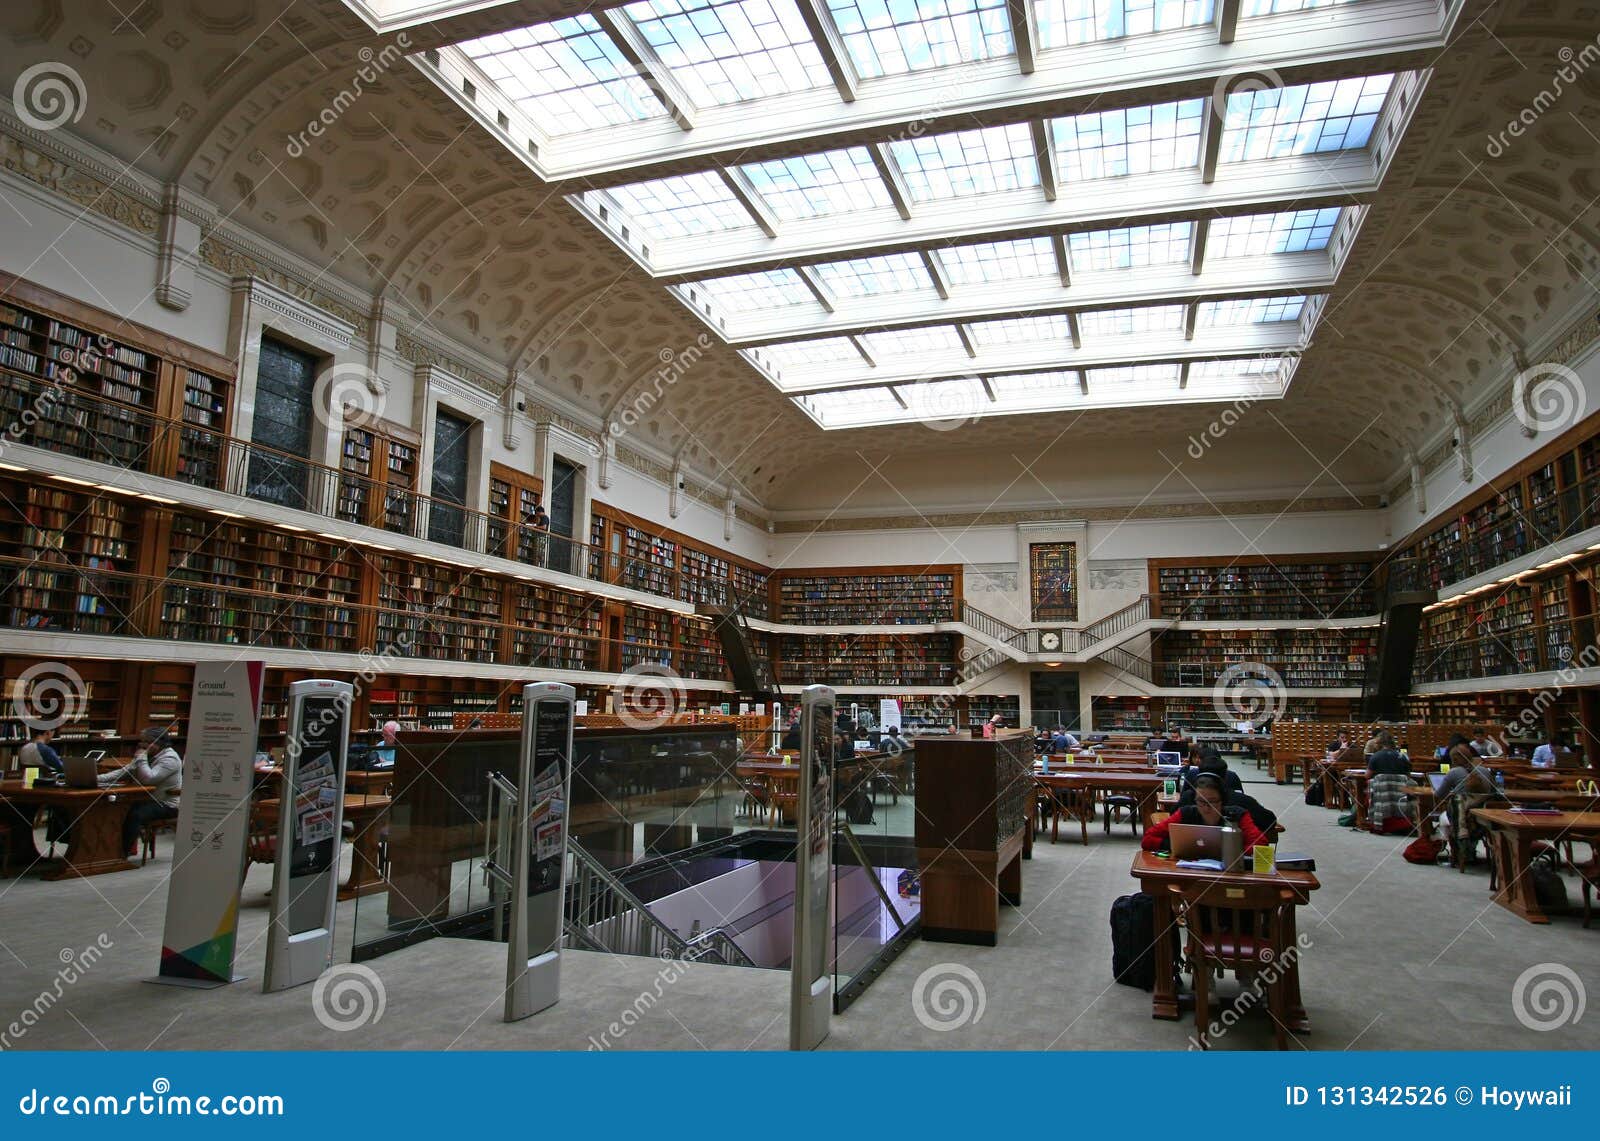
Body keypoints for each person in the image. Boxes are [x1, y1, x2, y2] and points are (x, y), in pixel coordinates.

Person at [100, 726, 183, 857]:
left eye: (145, 742)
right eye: (142, 741)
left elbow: (148, 779)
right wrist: (96, 779)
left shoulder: (170, 759)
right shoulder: (149, 754)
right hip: (147, 800)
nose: (141, 745)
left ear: (157, 743)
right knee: (115, 808)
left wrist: (142, 758)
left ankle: (121, 853)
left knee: (135, 814)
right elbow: (124, 772)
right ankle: (106, 849)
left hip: (166, 804)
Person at [1142, 774, 1267, 854]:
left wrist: (1232, 854)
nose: (1206, 808)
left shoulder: (1237, 815)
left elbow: (1260, 845)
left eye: (1212, 802)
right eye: (1201, 801)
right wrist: (1174, 846)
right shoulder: (1186, 813)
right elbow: (1148, 839)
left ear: (1222, 801)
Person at [1364, 729, 1412, 831]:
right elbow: (1408, 776)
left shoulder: (1375, 756)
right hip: (1401, 795)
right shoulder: (1403, 756)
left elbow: (1367, 776)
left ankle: (1367, 818)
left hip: (1381, 795)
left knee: (1367, 787)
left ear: (1379, 743)